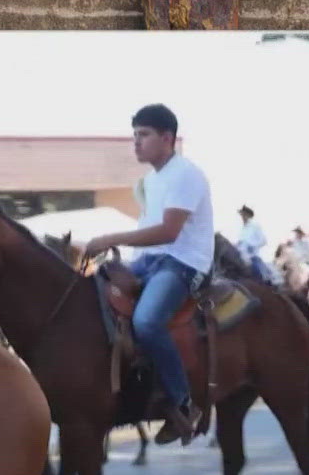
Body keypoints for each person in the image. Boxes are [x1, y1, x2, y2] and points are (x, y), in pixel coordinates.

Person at [81, 103, 215, 444]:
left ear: (167, 138)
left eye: (144, 135)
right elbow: (148, 231)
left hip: (184, 262)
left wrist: (111, 239)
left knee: (146, 321)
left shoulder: (186, 174)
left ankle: (184, 404)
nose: (136, 143)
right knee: (93, 293)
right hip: (150, 260)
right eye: (135, 135)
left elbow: (169, 232)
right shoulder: (153, 179)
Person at [235, 205, 274, 282]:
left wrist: (252, 245)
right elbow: (240, 243)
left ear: (249, 215)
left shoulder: (255, 226)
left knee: (257, 272)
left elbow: (264, 240)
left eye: (244, 214)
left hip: (252, 256)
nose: (242, 216)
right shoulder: (242, 228)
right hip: (241, 256)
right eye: (242, 214)